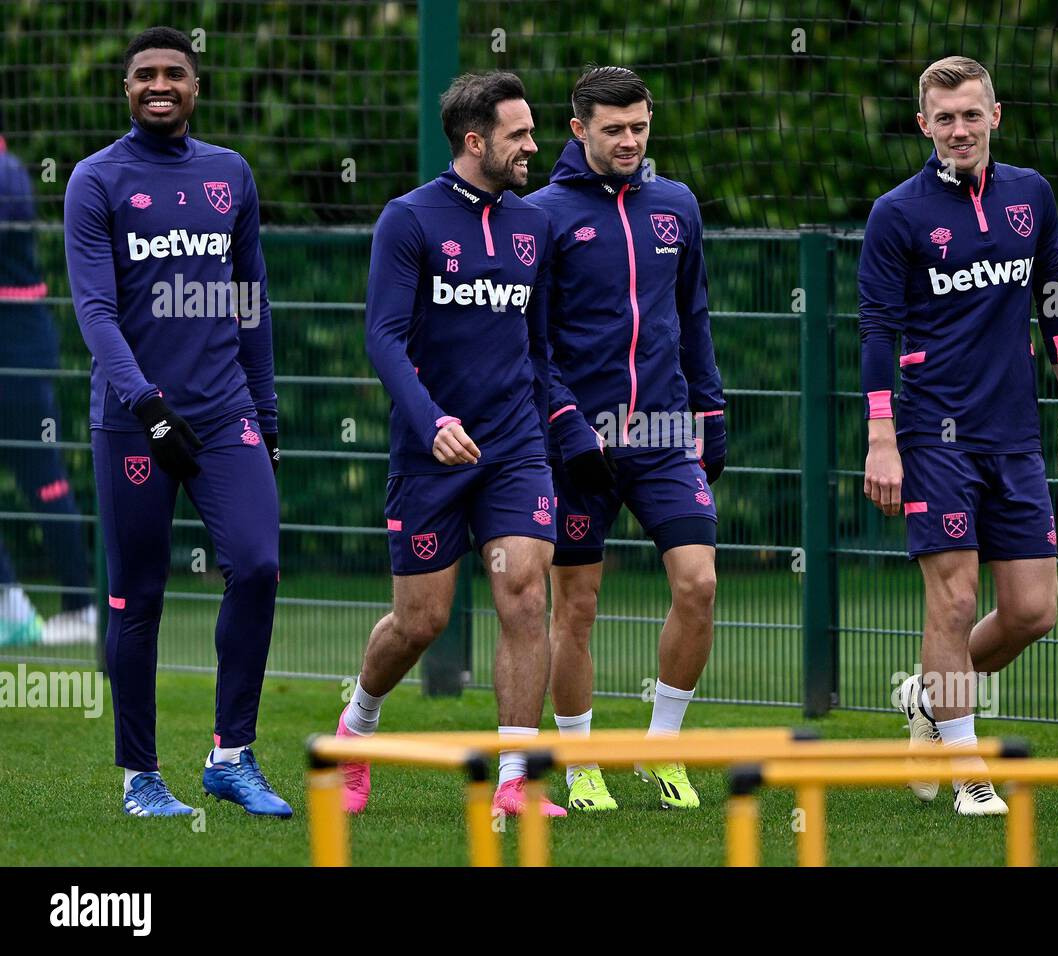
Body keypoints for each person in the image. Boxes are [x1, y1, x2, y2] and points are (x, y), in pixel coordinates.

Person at [859, 56, 1058, 816]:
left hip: (1015, 435)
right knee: (953, 603)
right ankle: (970, 775)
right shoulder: (897, 213)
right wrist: (882, 438)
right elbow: (876, 333)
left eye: (971, 114)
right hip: (932, 435)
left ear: (996, 115)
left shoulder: (1032, 196)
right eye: (944, 118)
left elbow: (1056, 301)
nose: (959, 129)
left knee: (1033, 612)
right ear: (922, 125)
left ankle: (930, 701)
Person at [64, 27, 287, 817]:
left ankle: (232, 756)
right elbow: (95, 309)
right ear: (126, 89)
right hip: (135, 422)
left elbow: (250, 303)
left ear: (196, 86)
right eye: (145, 75)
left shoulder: (230, 174)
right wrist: (146, 403)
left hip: (227, 415)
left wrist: (264, 409)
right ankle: (140, 777)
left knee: (258, 565)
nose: (160, 85)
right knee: (138, 597)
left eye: (175, 74)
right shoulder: (96, 180)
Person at [333, 72, 565, 818]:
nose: (534, 145)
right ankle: (356, 728)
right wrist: (432, 421)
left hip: (515, 450)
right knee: (421, 622)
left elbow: (538, 347)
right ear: (475, 141)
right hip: (429, 451)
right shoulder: (408, 220)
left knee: (526, 597)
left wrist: (554, 423)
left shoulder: (535, 226)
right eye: (519, 134)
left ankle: (514, 784)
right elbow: (383, 338)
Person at [528, 67, 726, 812]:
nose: (629, 141)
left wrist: (711, 410)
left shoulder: (676, 205)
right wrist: (563, 422)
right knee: (576, 607)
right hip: (579, 441)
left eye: (639, 127)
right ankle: (580, 762)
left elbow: (694, 314)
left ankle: (661, 749)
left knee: (699, 585)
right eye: (613, 129)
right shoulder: (541, 215)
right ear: (577, 128)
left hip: (667, 431)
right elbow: (532, 341)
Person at [0, 121, 96, 647]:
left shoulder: (5, 173)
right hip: (21, 348)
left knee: (45, 480)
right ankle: (14, 601)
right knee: (45, 479)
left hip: (16, 354)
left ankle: (79, 606)